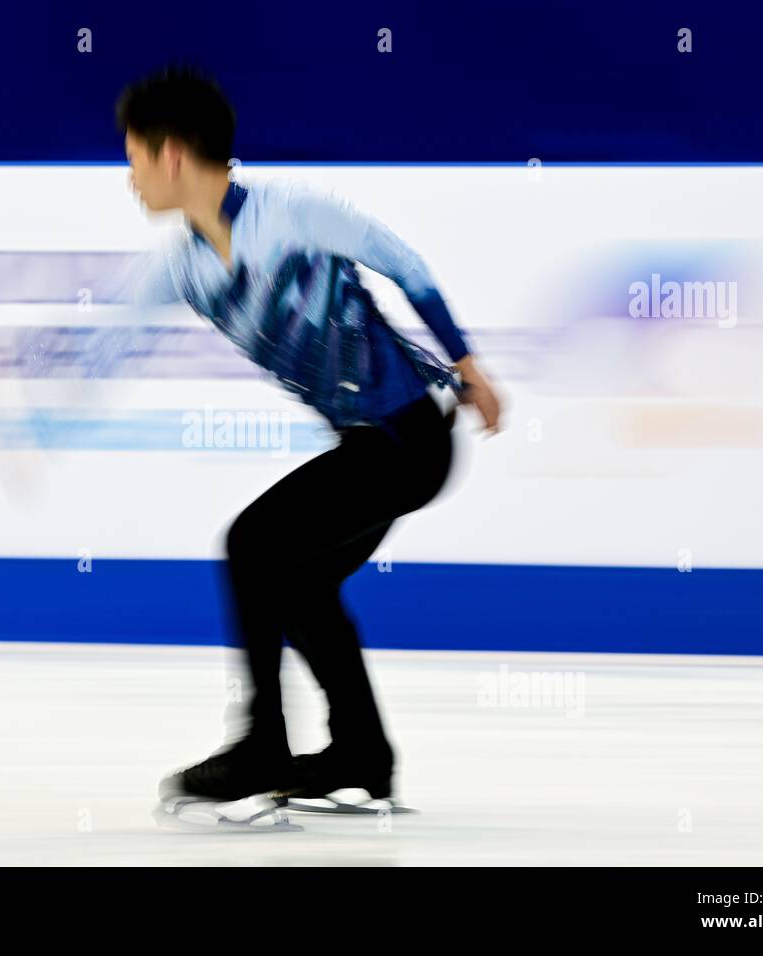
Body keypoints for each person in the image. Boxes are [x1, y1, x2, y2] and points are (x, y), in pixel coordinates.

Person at [114, 65, 504, 806]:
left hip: (407, 439)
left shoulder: (294, 212)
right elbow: (108, 332)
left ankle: (263, 745)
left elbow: (404, 265)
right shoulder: (184, 266)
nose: (129, 178)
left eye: (132, 158)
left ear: (171, 153)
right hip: (372, 446)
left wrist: (467, 361)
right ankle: (362, 751)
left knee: (253, 544)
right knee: (298, 582)